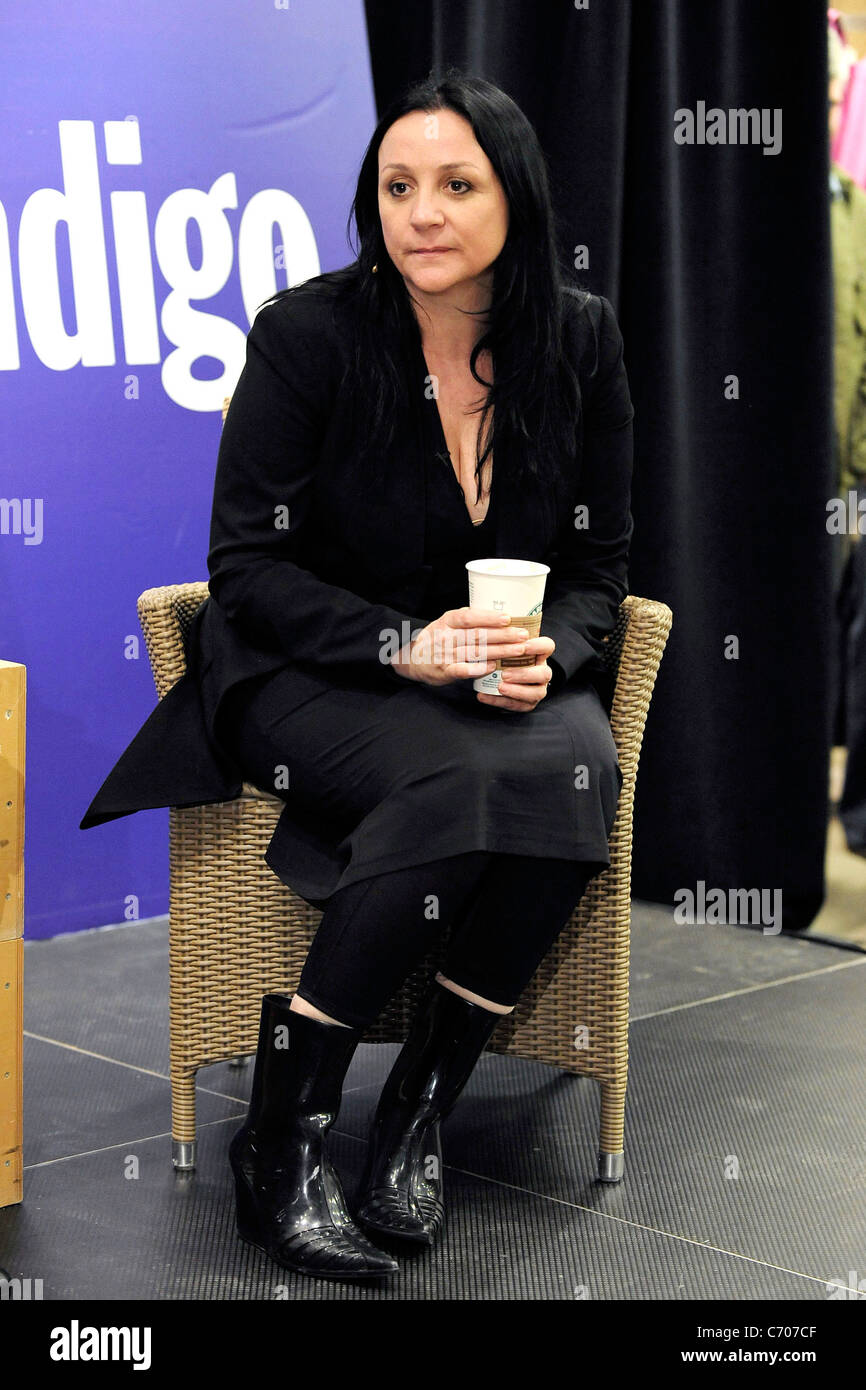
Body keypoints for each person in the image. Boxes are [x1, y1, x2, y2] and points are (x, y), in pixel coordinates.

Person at [82, 68, 634, 1284]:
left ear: (516, 203)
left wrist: (560, 651)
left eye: (453, 185)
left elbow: (600, 567)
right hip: (304, 674)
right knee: (455, 778)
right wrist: (405, 644)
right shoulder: (308, 335)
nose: (419, 212)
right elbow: (247, 571)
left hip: (484, 681)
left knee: (579, 768)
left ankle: (417, 1114)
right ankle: (281, 1141)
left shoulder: (577, 339)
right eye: (396, 186)